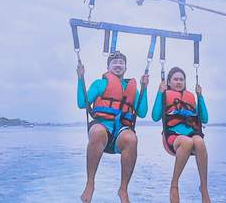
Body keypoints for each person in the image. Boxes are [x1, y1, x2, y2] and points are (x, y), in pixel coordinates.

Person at [77, 51, 149, 203]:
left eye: (121, 63)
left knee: (132, 138)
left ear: (125, 67)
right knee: (97, 132)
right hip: (101, 125)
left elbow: (142, 112)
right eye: (114, 62)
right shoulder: (100, 84)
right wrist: (80, 78)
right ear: (108, 67)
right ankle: (90, 183)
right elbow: (82, 103)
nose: (118, 65)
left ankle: (123, 189)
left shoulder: (131, 88)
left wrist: (144, 88)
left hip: (121, 132)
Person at [153, 67, 210, 203]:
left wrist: (200, 96)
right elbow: (155, 116)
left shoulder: (190, 96)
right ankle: (174, 184)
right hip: (172, 136)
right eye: (175, 79)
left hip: (192, 132)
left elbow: (205, 119)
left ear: (185, 82)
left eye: (181, 79)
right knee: (187, 142)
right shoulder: (165, 94)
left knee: (199, 142)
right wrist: (159, 93)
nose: (179, 82)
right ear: (169, 81)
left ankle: (204, 187)